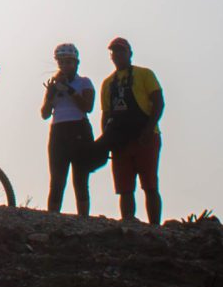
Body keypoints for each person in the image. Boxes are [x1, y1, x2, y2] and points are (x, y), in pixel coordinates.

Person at [99, 37, 165, 224]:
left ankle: (155, 227)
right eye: (114, 52)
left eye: (121, 51)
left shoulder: (145, 74)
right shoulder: (108, 83)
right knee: (124, 188)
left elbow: (159, 103)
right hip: (120, 140)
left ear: (130, 53)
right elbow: (106, 114)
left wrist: (148, 129)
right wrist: (106, 141)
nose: (117, 55)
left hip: (146, 137)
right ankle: (128, 224)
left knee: (150, 185)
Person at [40, 43, 97, 216]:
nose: (65, 66)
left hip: (79, 128)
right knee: (57, 180)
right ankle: (52, 217)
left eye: (68, 62)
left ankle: (84, 219)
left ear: (76, 63)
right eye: (61, 62)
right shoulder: (54, 85)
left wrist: (70, 90)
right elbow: (44, 114)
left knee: (80, 179)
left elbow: (88, 107)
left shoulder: (84, 82)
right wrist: (50, 95)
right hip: (58, 131)